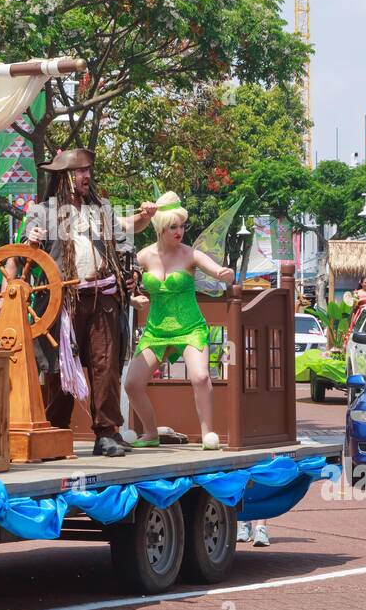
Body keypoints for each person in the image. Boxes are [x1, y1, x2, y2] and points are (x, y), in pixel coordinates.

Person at [23, 147, 156, 458]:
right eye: (80, 171)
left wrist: (131, 272)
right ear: (65, 177)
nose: (87, 176)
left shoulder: (103, 209)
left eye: (87, 171)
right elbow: (26, 251)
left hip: (102, 299)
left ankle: (107, 432)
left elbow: (124, 247)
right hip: (62, 301)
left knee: (105, 365)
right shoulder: (42, 211)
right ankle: (55, 430)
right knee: (59, 367)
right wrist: (31, 241)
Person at [122, 192, 235, 449]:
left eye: (182, 226)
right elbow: (121, 284)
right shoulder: (143, 256)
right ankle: (150, 433)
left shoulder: (190, 255)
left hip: (190, 327)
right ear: (161, 228)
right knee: (132, 384)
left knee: (200, 376)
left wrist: (224, 273)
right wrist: (131, 300)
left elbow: (216, 270)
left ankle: (208, 433)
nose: (179, 231)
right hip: (156, 331)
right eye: (173, 226)